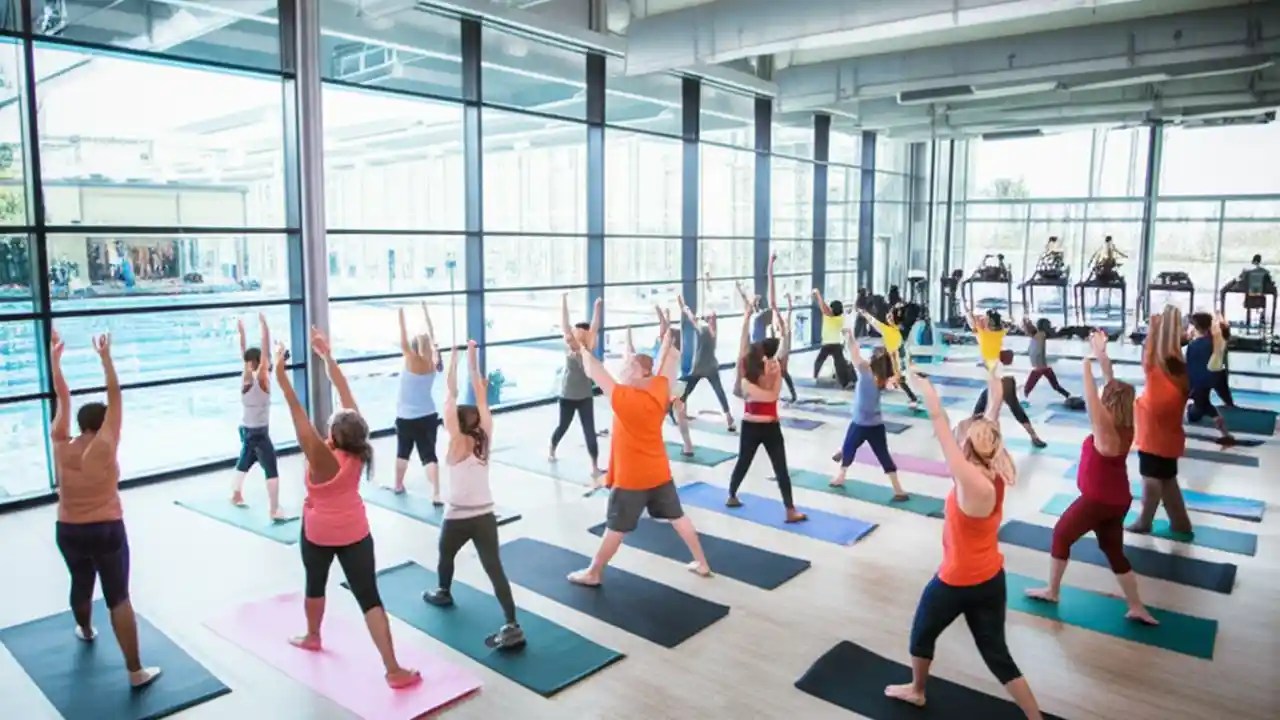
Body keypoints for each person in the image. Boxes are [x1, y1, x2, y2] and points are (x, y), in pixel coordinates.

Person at [885, 367, 1044, 720]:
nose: (958, 441)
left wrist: (925, 389)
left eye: (962, 440)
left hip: (956, 581)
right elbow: (995, 404)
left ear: (967, 448)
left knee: (921, 634)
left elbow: (940, 423)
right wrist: (991, 370)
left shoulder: (971, 481)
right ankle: (1036, 718)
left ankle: (917, 691)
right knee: (997, 654)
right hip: (991, 577)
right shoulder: (992, 463)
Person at [272, 325, 420, 689]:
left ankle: (312, 635)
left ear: (335, 435)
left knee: (315, 585)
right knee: (369, 597)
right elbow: (345, 394)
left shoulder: (324, 458)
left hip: (319, 533)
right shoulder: (358, 447)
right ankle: (393, 669)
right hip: (356, 532)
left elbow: (298, 419)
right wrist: (326, 356)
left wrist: (279, 373)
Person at [49, 330, 161, 689]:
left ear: (80, 425)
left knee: (81, 582)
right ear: (102, 425)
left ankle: (84, 628)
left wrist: (55, 360)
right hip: (107, 529)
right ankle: (135, 672)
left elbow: (62, 397)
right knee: (118, 597)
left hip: (68, 529)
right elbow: (115, 396)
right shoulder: (106, 443)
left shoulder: (60, 444)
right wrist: (106, 359)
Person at [1024, 331, 1158, 626]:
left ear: (1109, 403)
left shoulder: (1106, 432)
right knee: (1112, 550)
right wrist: (1101, 355)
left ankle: (1052, 591)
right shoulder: (1124, 425)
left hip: (1097, 501)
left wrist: (1085, 367)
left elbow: (1091, 400)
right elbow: (1110, 386)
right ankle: (1136, 606)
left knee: (1061, 535)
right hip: (1117, 500)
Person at [568, 330, 712, 586]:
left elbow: (596, 372)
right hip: (658, 472)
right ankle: (702, 562)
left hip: (632, 479)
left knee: (615, 529)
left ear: (640, 372)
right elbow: (667, 364)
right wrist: (668, 341)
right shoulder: (659, 389)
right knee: (678, 518)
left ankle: (594, 572)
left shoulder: (624, 399)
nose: (623, 367)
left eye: (629, 364)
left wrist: (582, 348)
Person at [422, 341, 526, 650]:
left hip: (457, 516)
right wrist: (470, 359)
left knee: (445, 555)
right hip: (484, 515)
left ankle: (443, 590)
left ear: (456, 422)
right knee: (495, 569)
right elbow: (478, 396)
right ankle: (511, 622)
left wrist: (452, 360)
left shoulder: (456, 441)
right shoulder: (485, 437)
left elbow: (449, 394)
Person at [725, 292, 807, 523]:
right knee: (767, 466)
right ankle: (788, 509)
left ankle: (733, 495)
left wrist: (747, 317)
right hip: (765, 426)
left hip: (757, 425)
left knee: (760, 464)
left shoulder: (751, 372)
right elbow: (771, 397)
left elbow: (745, 343)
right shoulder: (768, 370)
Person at [1128, 306, 1192, 535]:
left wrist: (1154, 329)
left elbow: (1149, 351)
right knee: (1168, 481)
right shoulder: (1181, 368)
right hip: (1170, 436)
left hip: (1152, 436)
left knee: (1151, 481)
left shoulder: (1154, 367)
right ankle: (1181, 522)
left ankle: (1145, 521)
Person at [829, 328, 907, 500]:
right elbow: (894, 380)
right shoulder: (883, 380)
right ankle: (898, 490)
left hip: (860, 423)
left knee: (850, 447)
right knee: (883, 455)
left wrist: (850, 336)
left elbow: (854, 352)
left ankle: (840, 476)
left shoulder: (865, 371)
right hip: (876, 424)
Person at [230, 313, 284, 520]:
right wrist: (265, 328)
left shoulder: (245, 378)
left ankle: (235, 494)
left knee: (245, 460)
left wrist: (242, 333)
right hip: (259, 433)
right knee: (271, 467)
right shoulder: (262, 381)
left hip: (246, 429)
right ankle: (274, 509)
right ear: (258, 362)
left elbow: (247, 355)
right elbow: (265, 356)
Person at [970, 313, 1048, 448]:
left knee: (1001, 408)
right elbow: (976, 324)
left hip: (1001, 379)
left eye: (984, 320)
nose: (980, 321)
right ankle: (1034, 436)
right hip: (1001, 378)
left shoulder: (986, 335)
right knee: (986, 405)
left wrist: (973, 315)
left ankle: (975, 437)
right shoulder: (996, 334)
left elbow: (974, 322)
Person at [549, 294, 604, 477]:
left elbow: (595, 326)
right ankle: (552, 447)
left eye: (582, 331)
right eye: (577, 330)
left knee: (590, 430)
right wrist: (563, 300)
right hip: (567, 395)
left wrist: (597, 308)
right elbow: (565, 324)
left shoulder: (588, 347)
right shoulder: (571, 345)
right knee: (563, 426)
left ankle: (595, 466)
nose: (578, 332)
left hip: (585, 395)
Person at [627, 309, 695, 457]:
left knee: (659, 418)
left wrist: (663, 316)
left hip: (664, 390)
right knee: (678, 418)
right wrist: (664, 317)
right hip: (670, 389)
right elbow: (664, 329)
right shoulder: (672, 351)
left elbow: (665, 329)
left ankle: (685, 445)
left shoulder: (669, 351)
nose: (662, 336)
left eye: (665, 336)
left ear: (672, 340)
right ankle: (688, 446)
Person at [393, 304, 442, 501]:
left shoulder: (411, 359)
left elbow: (402, 337)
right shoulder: (433, 361)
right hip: (429, 415)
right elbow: (433, 336)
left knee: (403, 452)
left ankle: (397, 485)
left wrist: (401, 314)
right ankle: (437, 493)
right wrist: (426, 313)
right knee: (429, 455)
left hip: (406, 417)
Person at [678, 280, 736, 433]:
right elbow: (706, 320)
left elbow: (692, 318)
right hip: (710, 367)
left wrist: (685, 308)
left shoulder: (703, 331)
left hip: (699, 367)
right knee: (719, 392)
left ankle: (677, 411)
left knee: (687, 389)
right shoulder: (713, 333)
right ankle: (729, 418)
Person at [1185, 311, 1236, 445]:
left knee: (1196, 412)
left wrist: (1189, 390)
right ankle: (1225, 432)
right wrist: (1228, 400)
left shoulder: (1193, 346)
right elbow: (1220, 371)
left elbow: (1190, 370)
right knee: (1201, 406)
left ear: (1195, 327)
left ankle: (1226, 434)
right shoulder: (1216, 343)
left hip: (1199, 385)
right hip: (1212, 381)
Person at [859, 304, 919, 408]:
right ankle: (911, 397)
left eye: (890, 316)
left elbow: (874, 323)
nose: (887, 316)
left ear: (894, 320)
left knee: (890, 376)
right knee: (885, 374)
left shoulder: (889, 331)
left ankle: (872, 397)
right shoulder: (897, 329)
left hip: (893, 357)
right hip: (893, 355)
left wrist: (865, 314)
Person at [1020, 317, 1072, 401]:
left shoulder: (1040, 335)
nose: (1025, 332)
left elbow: (1033, 331)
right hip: (1044, 368)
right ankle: (1068, 395)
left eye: (1026, 331)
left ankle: (1023, 402)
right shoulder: (1034, 338)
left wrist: (1027, 323)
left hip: (1038, 369)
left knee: (1027, 388)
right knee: (1056, 386)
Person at [812, 287, 852, 387]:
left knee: (819, 362)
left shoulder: (829, 316)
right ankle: (845, 383)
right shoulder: (840, 318)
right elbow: (825, 308)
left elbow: (823, 307)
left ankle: (815, 377)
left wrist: (818, 294)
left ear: (833, 309)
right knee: (839, 365)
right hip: (837, 344)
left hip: (828, 344)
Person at [773, 292, 798, 403]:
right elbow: (790, 310)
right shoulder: (785, 327)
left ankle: (776, 394)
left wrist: (775, 309)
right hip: (783, 352)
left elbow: (784, 316)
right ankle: (791, 394)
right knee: (783, 373)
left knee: (780, 373)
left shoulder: (783, 329)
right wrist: (789, 299)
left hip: (782, 353)